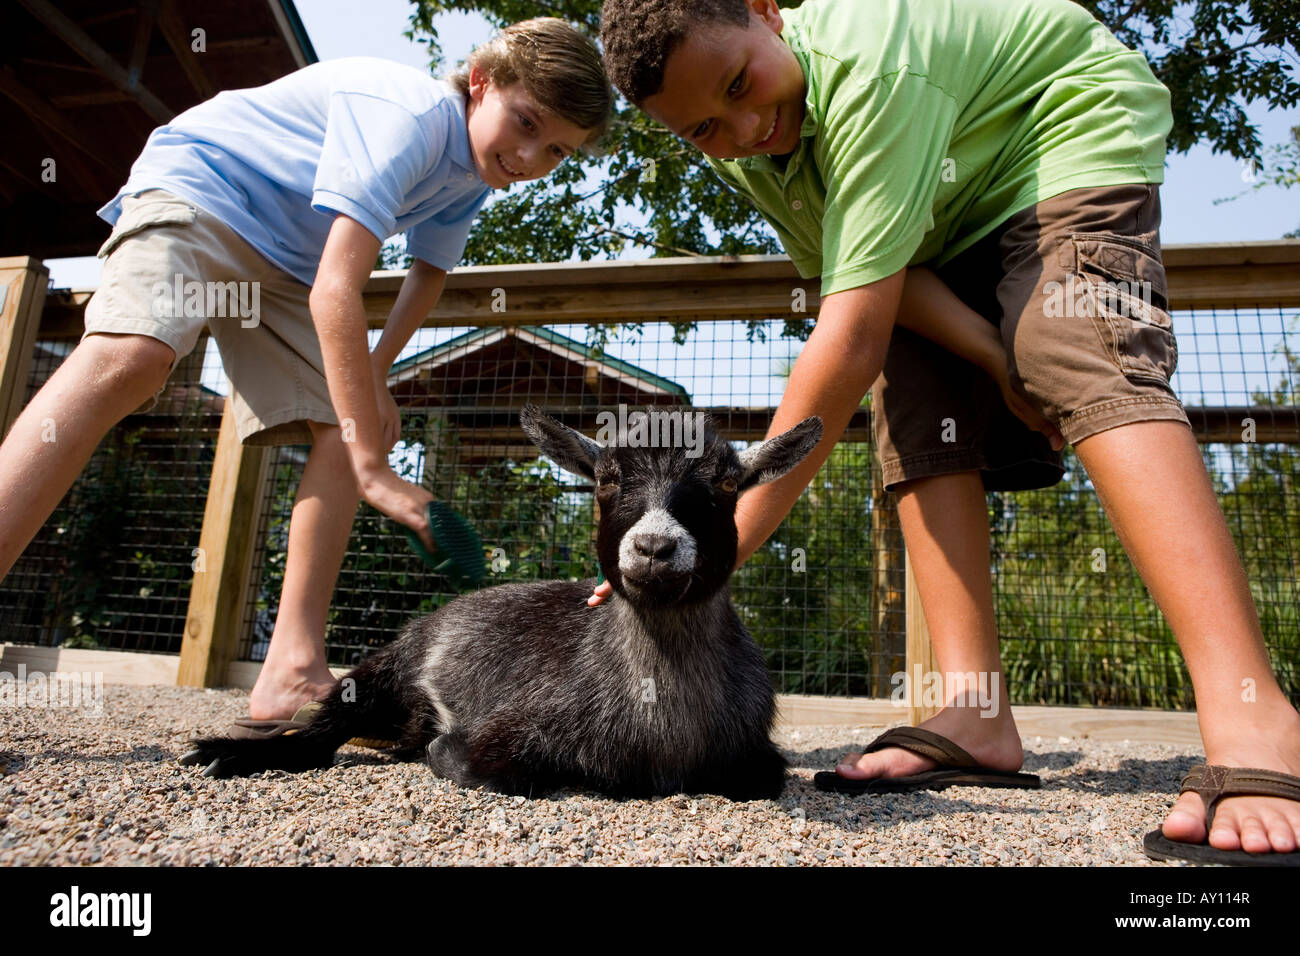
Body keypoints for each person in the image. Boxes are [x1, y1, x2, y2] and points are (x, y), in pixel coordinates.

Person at [596, 0, 1300, 861]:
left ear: (766, 12)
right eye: (706, 126)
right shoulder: (747, 147)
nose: (745, 128)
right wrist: (996, 362)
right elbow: (871, 296)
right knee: (917, 380)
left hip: (1057, 129)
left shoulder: (872, 65)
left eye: (743, 84)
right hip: (947, 207)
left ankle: (1254, 711)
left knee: (1069, 341)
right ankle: (975, 708)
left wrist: (714, 543)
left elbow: (841, 345)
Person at [0, 18, 612, 734]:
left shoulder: (474, 177)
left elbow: (427, 275)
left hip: (286, 267)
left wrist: (375, 377)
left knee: (338, 427)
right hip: (200, 193)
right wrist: (377, 473)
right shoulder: (410, 117)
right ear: (482, 82)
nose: (530, 155)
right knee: (133, 360)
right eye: (526, 121)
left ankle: (291, 667)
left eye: (558, 151)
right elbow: (337, 290)